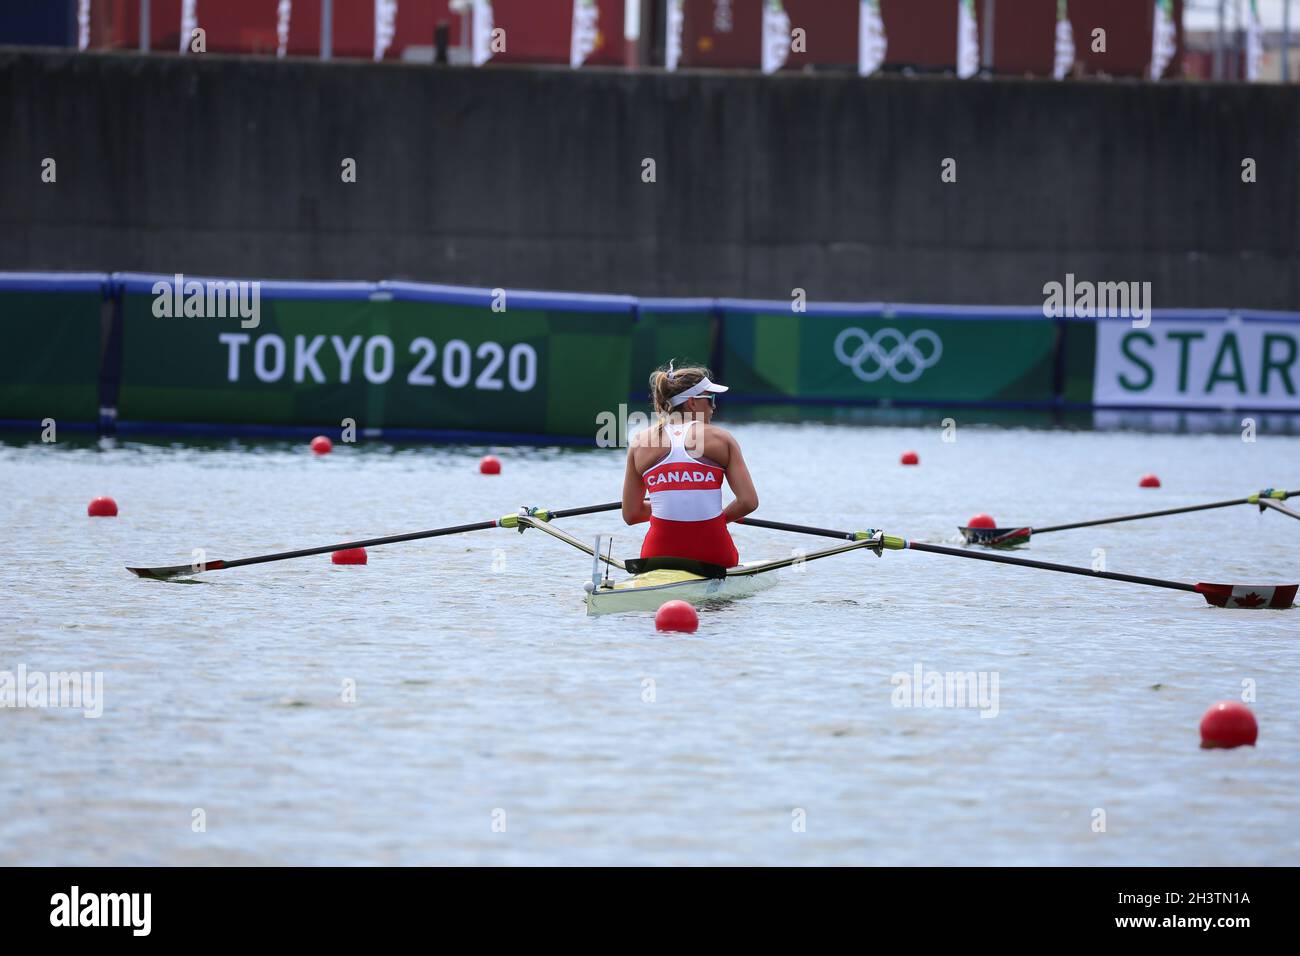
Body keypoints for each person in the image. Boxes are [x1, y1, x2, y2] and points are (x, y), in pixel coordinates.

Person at [622, 363, 758, 568]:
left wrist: (669, 500)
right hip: (714, 555)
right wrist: (718, 515)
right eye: (710, 399)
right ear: (692, 403)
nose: (714, 407)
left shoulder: (640, 442)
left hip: (657, 555)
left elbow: (631, 514)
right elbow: (748, 502)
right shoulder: (722, 439)